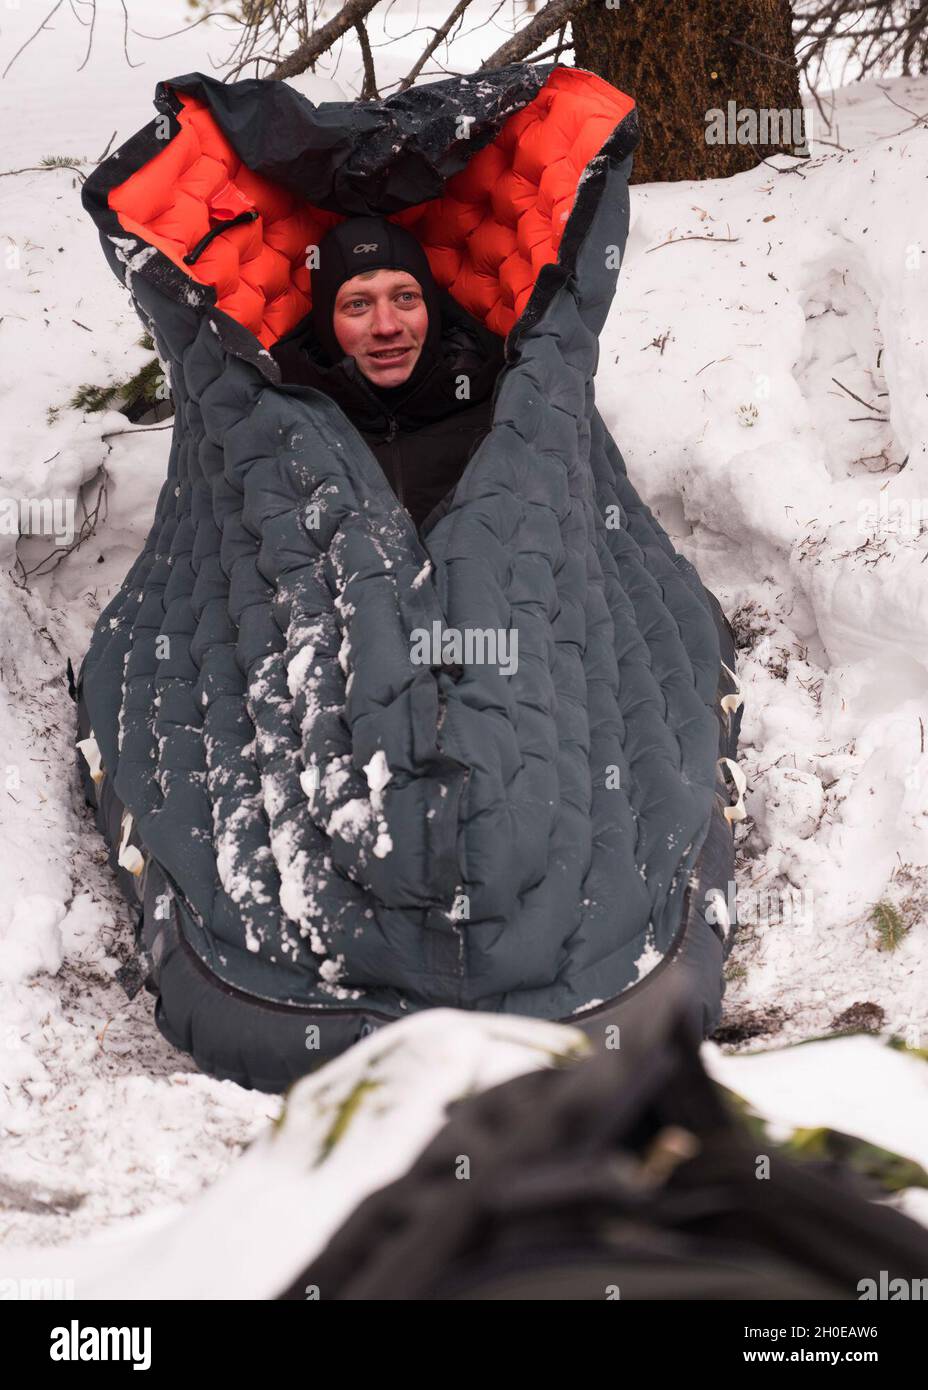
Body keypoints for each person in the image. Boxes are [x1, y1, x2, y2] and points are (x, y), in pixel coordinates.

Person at [270, 216, 506, 534]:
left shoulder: (503, 405)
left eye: (405, 297)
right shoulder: (276, 427)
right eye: (357, 304)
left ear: (432, 307)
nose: (387, 326)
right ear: (325, 323)